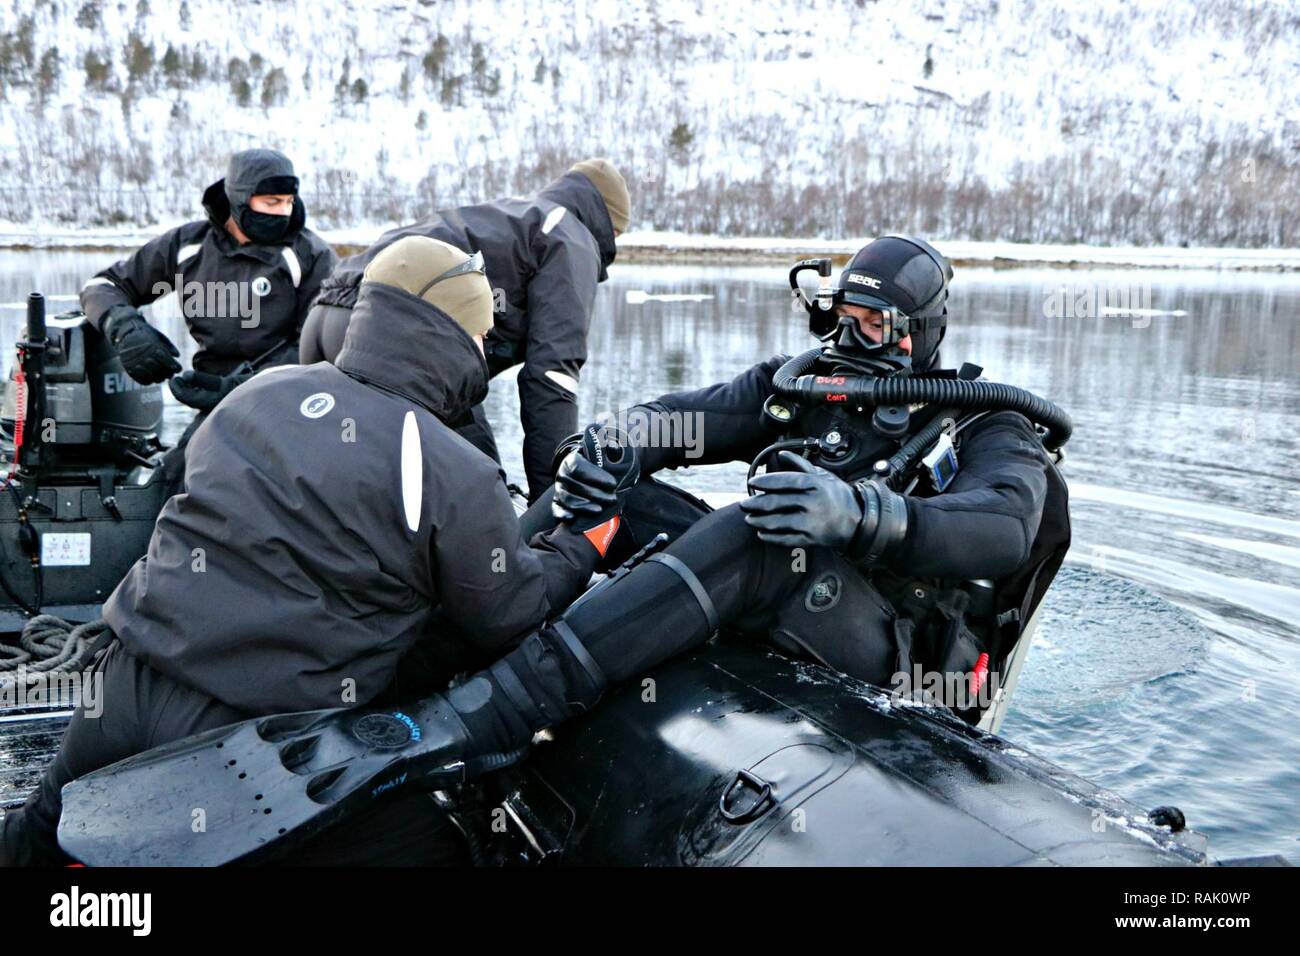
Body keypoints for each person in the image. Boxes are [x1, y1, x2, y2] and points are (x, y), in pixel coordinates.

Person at [0, 236, 623, 867]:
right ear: (455, 336)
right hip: (248, 740)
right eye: (483, 335)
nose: (488, 350)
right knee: (441, 848)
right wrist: (580, 543)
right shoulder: (450, 465)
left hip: (124, 686)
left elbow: (175, 503)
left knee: (34, 839)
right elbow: (508, 613)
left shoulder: (255, 394)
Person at [300, 158, 630, 502]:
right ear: (608, 224)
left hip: (325, 316)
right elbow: (552, 377)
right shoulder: (571, 238)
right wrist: (553, 502)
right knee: (480, 495)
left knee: (344, 476)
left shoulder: (513, 214)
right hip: (396, 334)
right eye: (617, 235)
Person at [80, 148, 337, 415]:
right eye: (271, 203)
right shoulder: (187, 246)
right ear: (239, 198)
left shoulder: (311, 255)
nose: (283, 212)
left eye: (289, 202)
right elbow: (102, 286)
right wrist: (126, 329)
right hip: (212, 402)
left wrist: (239, 387)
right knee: (185, 458)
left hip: (287, 402)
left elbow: (318, 347)